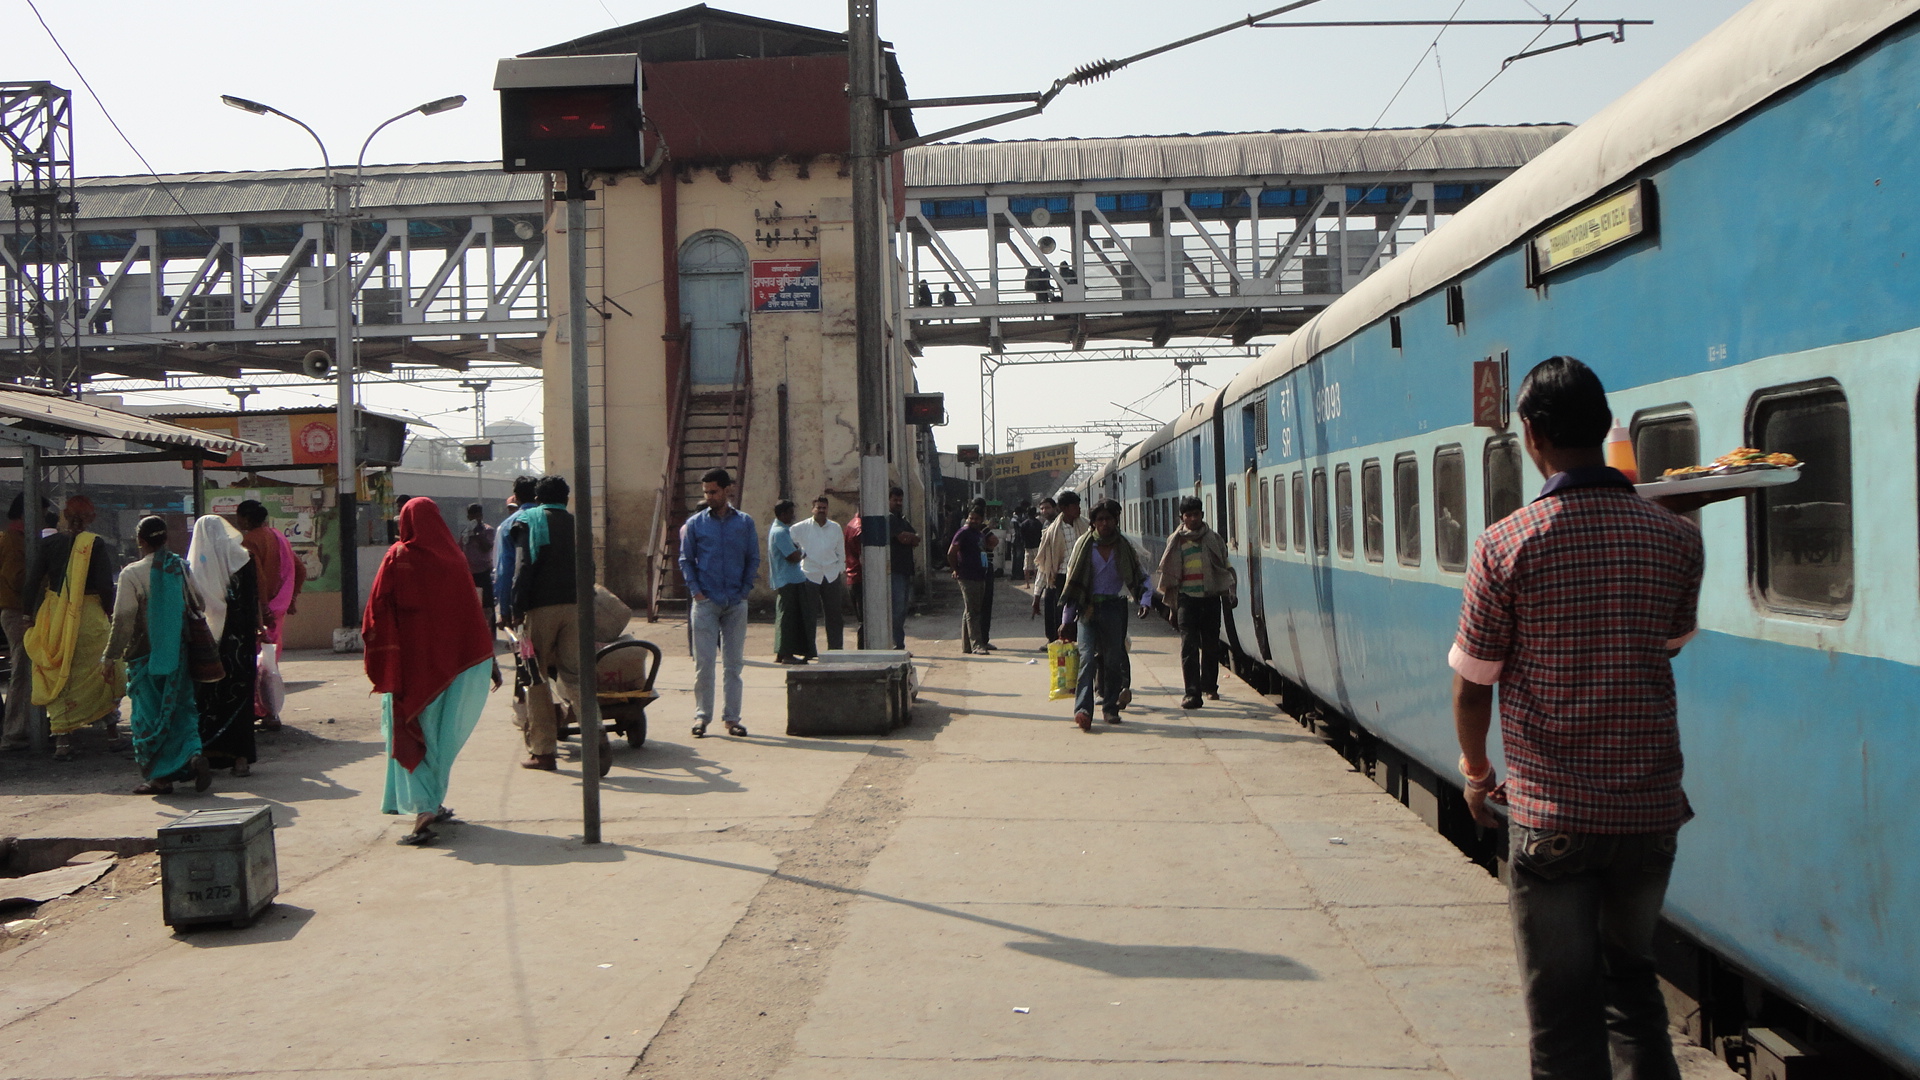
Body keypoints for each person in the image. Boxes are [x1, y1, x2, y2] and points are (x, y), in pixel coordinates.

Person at [1449, 356, 1704, 1080]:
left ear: (1531, 435)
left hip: (1553, 817)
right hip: (1650, 814)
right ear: (1603, 426)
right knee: (1633, 992)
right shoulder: (1678, 537)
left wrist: (1476, 773)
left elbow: (1472, 687)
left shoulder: (1505, 545)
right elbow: (1669, 644)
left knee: (1562, 1021)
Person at [364, 497, 500, 846]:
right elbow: (472, 615)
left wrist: (381, 653)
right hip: (453, 667)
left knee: (411, 730)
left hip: (411, 667)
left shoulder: (398, 557)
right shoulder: (454, 559)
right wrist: (492, 662)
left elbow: (376, 613)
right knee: (438, 737)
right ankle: (433, 801)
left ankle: (424, 808)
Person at [504, 475, 604, 773]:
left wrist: (516, 607)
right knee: (575, 677)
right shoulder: (577, 524)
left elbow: (523, 567)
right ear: (566, 499)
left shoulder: (529, 521)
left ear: (537, 498)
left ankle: (544, 752)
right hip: (576, 607)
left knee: (536, 679)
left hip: (540, 608)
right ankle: (596, 736)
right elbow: (591, 567)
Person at [107, 516, 211, 796]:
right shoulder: (178, 567)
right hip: (178, 653)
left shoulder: (132, 574)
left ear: (140, 541)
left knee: (147, 716)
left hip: (145, 656)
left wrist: (109, 656)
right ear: (165, 539)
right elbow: (198, 603)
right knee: (181, 710)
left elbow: (123, 619)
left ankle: (159, 779)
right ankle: (192, 755)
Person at [26, 496, 124, 760]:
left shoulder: (49, 544)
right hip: (90, 617)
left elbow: (34, 579)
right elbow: (105, 584)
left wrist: (28, 614)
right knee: (102, 673)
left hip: (56, 617)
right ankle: (113, 735)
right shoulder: (95, 544)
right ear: (91, 517)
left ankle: (63, 742)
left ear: (64, 516)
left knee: (61, 674)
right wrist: (109, 610)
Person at [1058, 499, 1152, 731]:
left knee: (1112, 661)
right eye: (1100, 519)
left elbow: (1142, 576)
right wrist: (1066, 620)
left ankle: (1110, 708)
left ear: (1115, 521)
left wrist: (1146, 600)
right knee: (1087, 659)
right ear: (1093, 523)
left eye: (1109, 519)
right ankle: (1083, 710)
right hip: (1087, 609)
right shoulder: (1084, 546)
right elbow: (1073, 583)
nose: (1104, 523)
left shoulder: (1125, 546)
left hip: (1114, 608)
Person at [678, 467, 758, 737]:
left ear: (727, 490)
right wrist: (696, 592)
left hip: (735, 602)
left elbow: (753, 558)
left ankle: (732, 719)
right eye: (706, 492)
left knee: (733, 666)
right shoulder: (696, 524)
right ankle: (702, 717)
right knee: (704, 665)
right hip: (706, 603)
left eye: (714, 491)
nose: (709, 496)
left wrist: (745, 590)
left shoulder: (744, 523)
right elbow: (685, 560)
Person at [188, 515, 258, 777]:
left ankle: (206, 752)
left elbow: (193, 605)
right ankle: (240, 758)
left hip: (206, 641)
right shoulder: (244, 559)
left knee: (206, 696)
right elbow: (251, 602)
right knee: (239, 695)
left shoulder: (194, 566)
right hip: (239, 641)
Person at [1155, 496, 1237, 710]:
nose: (1193, 518)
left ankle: (1209, 686)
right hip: (1186, 601)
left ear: (1202, 514)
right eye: (1188, 515)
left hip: (1210, 599)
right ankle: (1192, 693)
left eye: (1196, 514)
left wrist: (1230, 590)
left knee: (1210, 646)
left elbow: (1224, 566)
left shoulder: (1213, 539)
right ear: (1181, 517)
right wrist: (1171, 607)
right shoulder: (1175, 541)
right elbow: (1171, 575)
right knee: (1188, 647)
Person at [235, 500, 304, 731]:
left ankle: (262, 710)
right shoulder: (278, 537)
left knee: (256, 666)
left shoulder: (250, 541)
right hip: (278, 609)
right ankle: (269, 712)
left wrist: (261, 610)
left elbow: (257, 579)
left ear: (245, 519)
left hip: (261, 612)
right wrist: (291, 598)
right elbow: (300, 568)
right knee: (269, 665)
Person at [0, 494, 46, 751]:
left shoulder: (17, 540)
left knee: (28, 669)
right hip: (17, 611)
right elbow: (17, 579)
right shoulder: (13, 542)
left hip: (18, 610)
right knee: (22, 671)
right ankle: (15, 731)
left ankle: (26, 726)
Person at [1030, 491, 1085, 650]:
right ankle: (1064, 648)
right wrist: (1036, 595)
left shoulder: (1085, 526)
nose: (1079, 510)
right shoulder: (1052, 533)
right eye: (1075, 506)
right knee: (1063, 616)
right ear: (1064, 508)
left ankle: (1079, 645)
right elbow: (1044, 566)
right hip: (1061, 580)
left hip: (1082, 578)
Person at [791, 495, 847, 651]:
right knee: (809, 616)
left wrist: (840, 568)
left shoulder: (835, 527)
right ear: (812, 509)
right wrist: (800, 555)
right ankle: (809, 650)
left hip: (831, 574)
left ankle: (836, 649)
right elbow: (789, 541)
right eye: (819, 508)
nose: (821, 510)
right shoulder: (801, 527)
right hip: (810, 574)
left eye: (824, 508)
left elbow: (840, 550)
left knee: (834, 616)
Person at [769, 499, 814, 665]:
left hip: (791, 579)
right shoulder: (780, 532)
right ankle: (787, 654)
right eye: (790, 512)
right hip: (788, 580)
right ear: (783, 514)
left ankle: (782, 652)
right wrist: (803, 552)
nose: (793, 516)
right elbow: (793, 556)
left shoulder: (785, 530)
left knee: (788, 616)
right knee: (789, 618)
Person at [493, 476, 540, 631]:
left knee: (525, 651)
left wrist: (505, 611)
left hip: (522, 603)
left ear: (516, 497)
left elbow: (505, 571)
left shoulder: (507, 526)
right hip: (560, 599)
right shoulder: (551, 519)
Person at [947, 502, 991, 655]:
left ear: (982, 520)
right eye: (971, 518)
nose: (973, 521)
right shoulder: (963, 532)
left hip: (979, 575)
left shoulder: (979, 534)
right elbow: (951, 552)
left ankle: (967, 646)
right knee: (973, 612)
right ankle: (977, 644)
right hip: (967, 576)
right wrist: (956, 570)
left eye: (977, 519)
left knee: (971, 610)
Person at [884, 486, 921, 649]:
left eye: (900, 500)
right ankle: (895, 644)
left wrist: (910, 537)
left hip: (906, 570)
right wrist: (909, 537)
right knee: (896, 610)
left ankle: (899, 644)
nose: (898, 503)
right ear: (889, 500)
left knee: (903, 610)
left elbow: (916, 538)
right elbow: (902, 538)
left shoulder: (902, 519)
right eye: (895, 500)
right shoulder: (890, 518)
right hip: (895, 570)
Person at [461, 503, 497, 630]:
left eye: (476, 515)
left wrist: (478, 534)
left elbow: (487, 547)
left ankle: (490, 631)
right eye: (471, 515)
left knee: (487, 603)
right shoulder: (466, 531)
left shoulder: (488, 530)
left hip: (483, 571)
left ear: (481, 516)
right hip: (470, 572)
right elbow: (460, 547)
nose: (474, 518)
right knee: (471, 603)